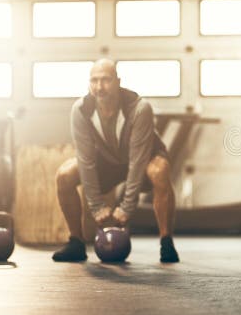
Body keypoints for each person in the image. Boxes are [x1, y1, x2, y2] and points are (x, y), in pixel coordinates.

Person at [52, 59, 179, 262]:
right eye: (94, 80)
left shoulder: (140, 108)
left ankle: (166, 243)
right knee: (64, 175)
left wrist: (126, 207)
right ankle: (76, 242)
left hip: (145, 158)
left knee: (160, 171)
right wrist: (96, 207)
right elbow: (86, 159)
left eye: (105, 80)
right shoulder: (81, 109)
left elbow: (137, 161)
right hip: (109, 160)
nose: (99, 87)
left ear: (118, 82)